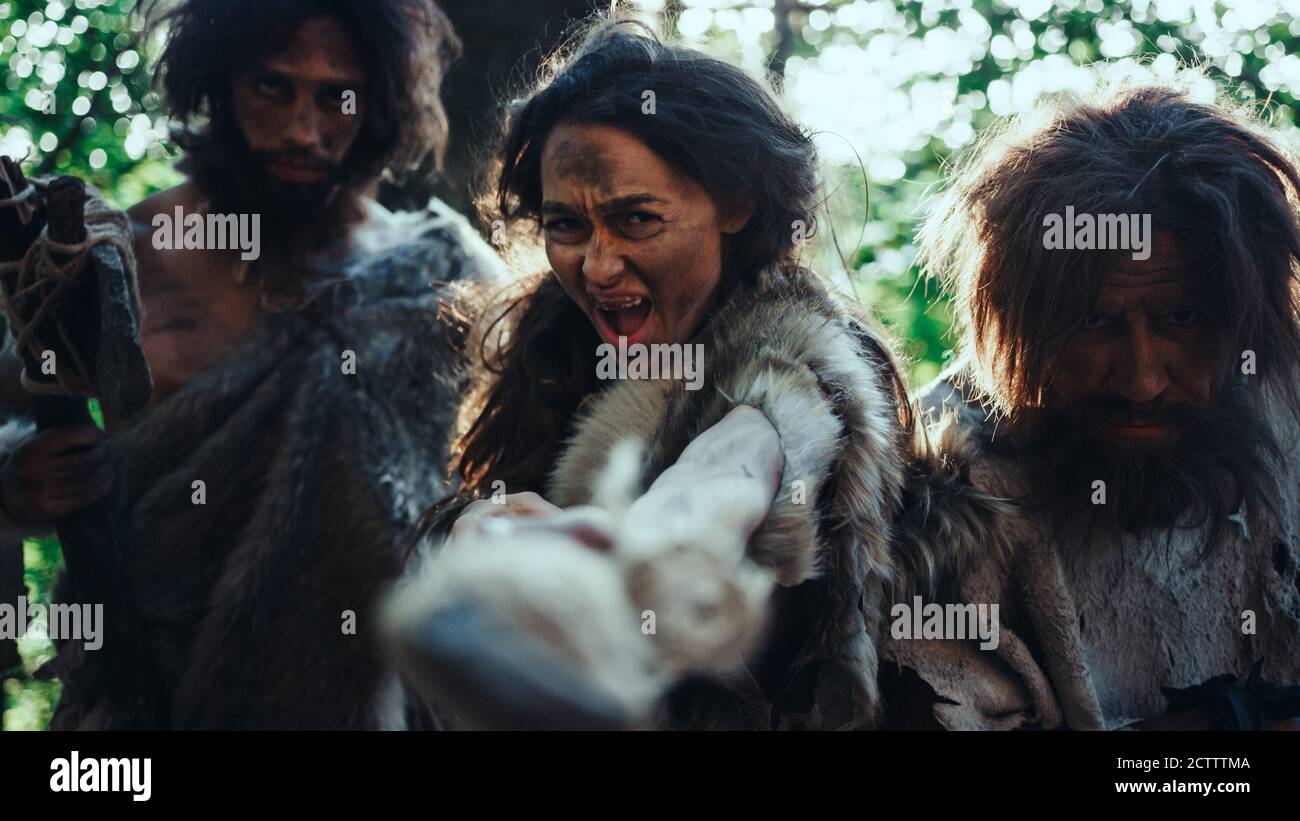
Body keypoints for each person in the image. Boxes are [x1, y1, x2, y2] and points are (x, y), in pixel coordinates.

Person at [385, 18, 1005, 730]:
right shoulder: (551, 344)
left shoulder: (801, 362)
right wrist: (472, 528)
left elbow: (731, 472)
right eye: (567, 225)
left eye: (636, 219)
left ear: (736, 206)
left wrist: (637, 550)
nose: (597, 264)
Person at [0, 0, 502, 729]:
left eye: (337, 97)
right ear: (220, 85)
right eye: (272, 87)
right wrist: (18, 481)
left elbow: (537, 459)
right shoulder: (122, 263)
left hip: (378, 701)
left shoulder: (437, 270)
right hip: (153, 704)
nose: (304, 129)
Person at [897, 78, 1300, 730]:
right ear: (1026, 324)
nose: (1140, 381)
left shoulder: (1285, 402)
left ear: (1243, 313)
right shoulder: (933, 483)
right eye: (1092, 322)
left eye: (1182, 316)